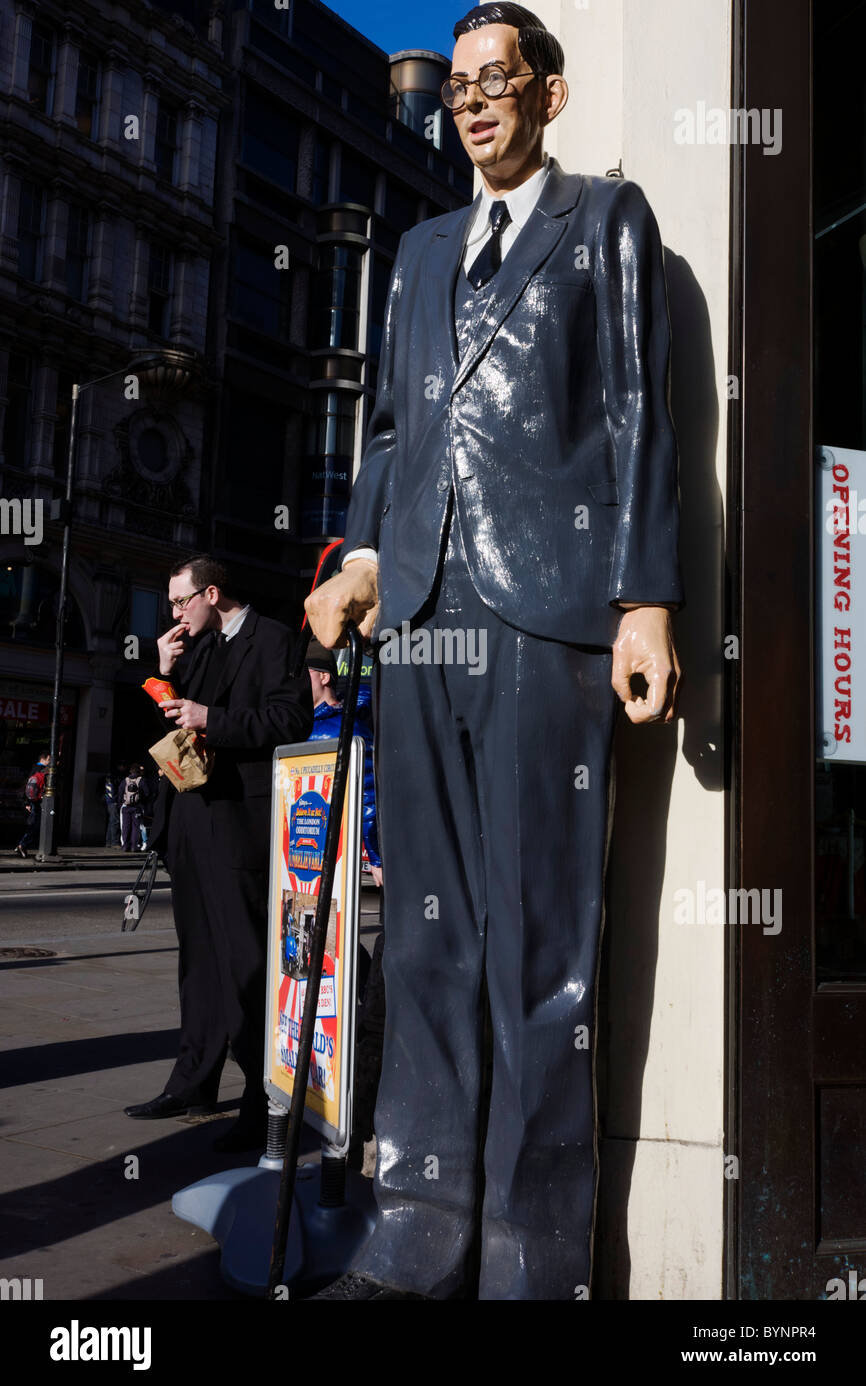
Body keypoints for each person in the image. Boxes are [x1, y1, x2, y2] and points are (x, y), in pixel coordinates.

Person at [305, 3, 683, 1300]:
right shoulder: (414, 255)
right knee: (424, 935)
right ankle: (415, 1214)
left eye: (495, 79)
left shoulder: (606, 226)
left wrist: (645, 598)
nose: (469, 102)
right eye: (454, 85)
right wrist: (360, 559)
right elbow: (395, 430)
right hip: (419, 609)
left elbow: (637, 411)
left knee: (539, 943)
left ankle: (532, 1252)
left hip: (548, 609)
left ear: (549, 95)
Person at [124, 555, 313, 1152]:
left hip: (239, 820)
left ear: (212, 591)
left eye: (182, 602)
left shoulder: (275, 638)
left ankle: (264, 1105)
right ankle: (193, 1080)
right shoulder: (193, 649)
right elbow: (166, 735)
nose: (175, 614)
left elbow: (291, 720)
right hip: (188, 817)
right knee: (198, 959)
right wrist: (162, 673)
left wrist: (215, 718)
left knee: (245, 963)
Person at [305, 640, 383, 887]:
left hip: (334, 854)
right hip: (307, 851)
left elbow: (367, 794)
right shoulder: (300, 724)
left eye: (303, 676)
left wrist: (377, 858)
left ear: (324, 677)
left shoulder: (345, 728)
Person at [14, 751, 49, 859]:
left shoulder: (35, 768)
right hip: (35, 802)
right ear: (43, 760)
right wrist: (28, 802)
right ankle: (22, 845)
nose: (50, 762)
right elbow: (30, 787)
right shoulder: (40, 770)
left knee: (33, 825)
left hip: (32, 801)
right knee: (35, 826)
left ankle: (22, 844)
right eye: (49, 760)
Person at [118, 764, 146, 853]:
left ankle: (125, 846)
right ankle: (134, 846)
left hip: (126, 807)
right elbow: (147, 793)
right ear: (138, 771)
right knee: (135, 827)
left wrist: (121, 803)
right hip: (136, 808)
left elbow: (120, 792)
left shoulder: (125, 780)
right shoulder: (141, 780)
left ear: (130, 771)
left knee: (125, 827)